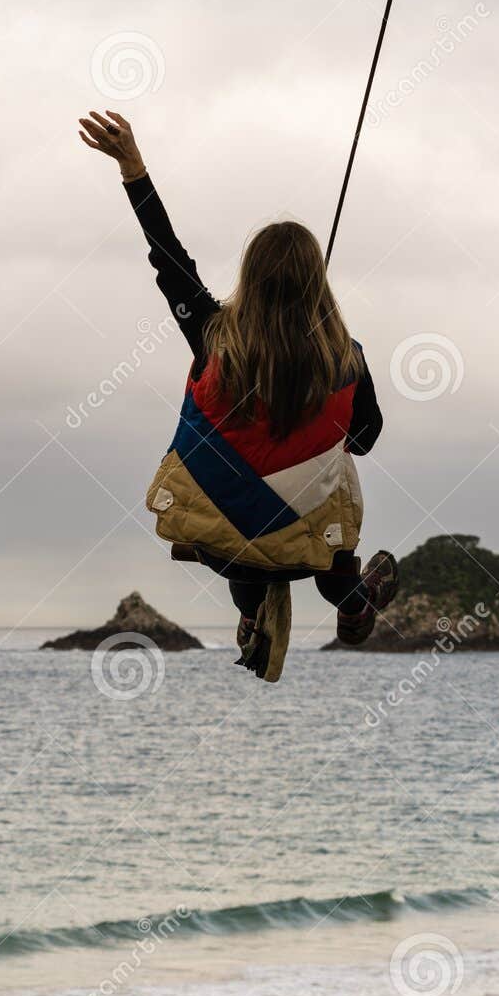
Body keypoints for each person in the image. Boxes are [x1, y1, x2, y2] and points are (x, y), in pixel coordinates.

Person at [79, 109, 399, 647]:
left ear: (250, 276)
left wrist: (132, 167)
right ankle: (352, 602)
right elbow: (365, 441)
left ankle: (250, 617)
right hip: (305, 552)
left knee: (241, 528)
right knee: (333, 489)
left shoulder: (211, 336)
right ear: (315, 283)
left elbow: (169, 258)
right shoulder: (348, 359)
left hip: (217, 549)